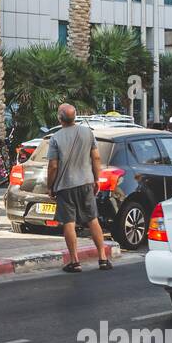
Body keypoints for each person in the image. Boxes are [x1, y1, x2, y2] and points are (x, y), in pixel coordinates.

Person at [45, 103, 111, 273]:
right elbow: (96, 158)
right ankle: (103, 258)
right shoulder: (87, 133)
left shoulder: (55, 138)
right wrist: (97, 179)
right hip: (86, 183)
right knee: (92, 219)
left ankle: (75, 261)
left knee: (69, 222)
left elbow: (53, 166)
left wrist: (50, 186)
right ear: (75, 117)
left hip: (65, 186)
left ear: (60, 118)